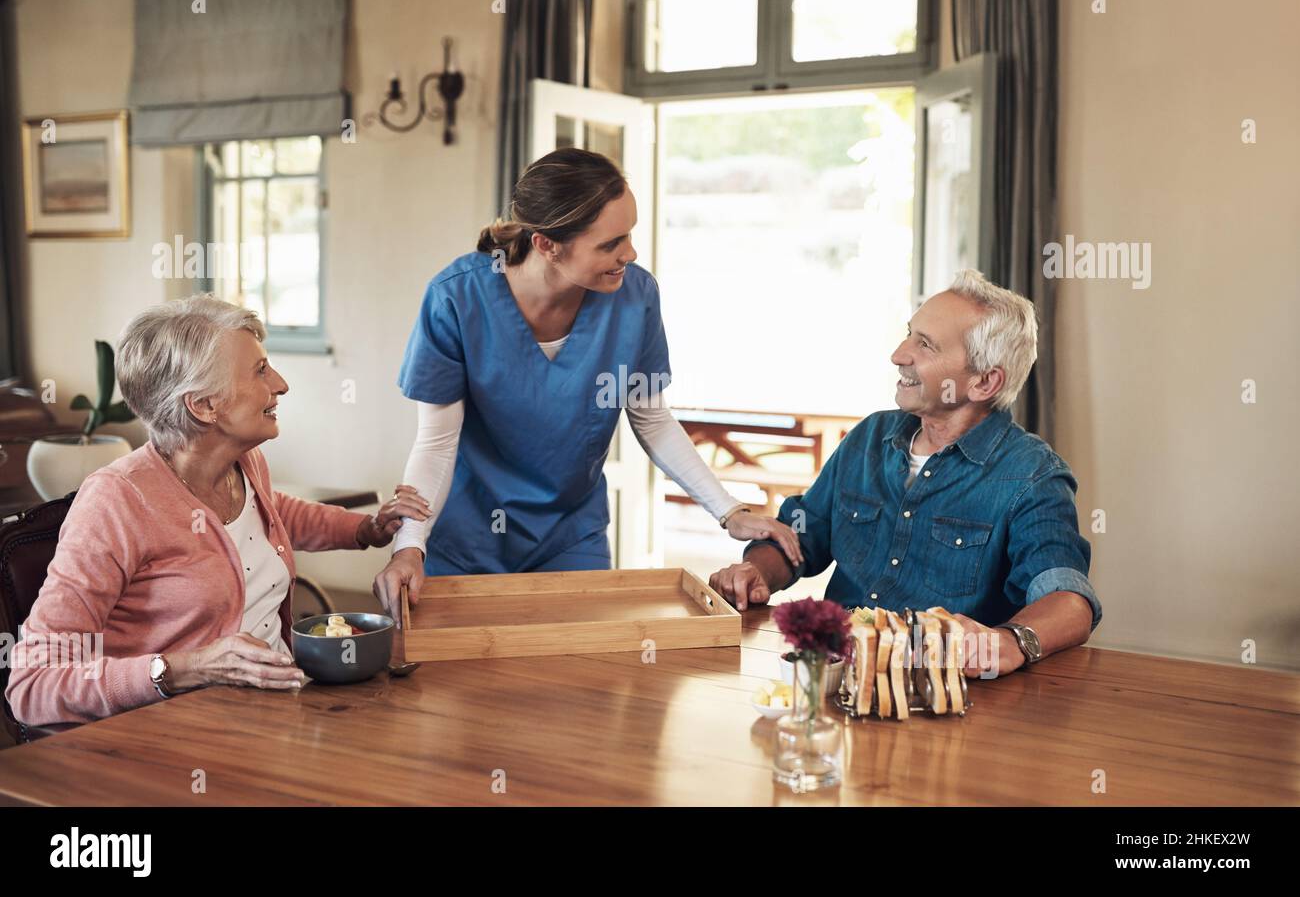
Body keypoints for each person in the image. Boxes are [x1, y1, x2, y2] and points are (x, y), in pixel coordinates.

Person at [372, 148, 801, 623]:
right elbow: (436, 443)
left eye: (630, 235)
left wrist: (729, 511)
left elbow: (652, 420)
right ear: (547, 244)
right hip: (469, 535)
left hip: (571, 535)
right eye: (610, 243)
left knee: (583, 682)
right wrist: (409, 545)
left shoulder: (635, 296)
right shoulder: (456, 299)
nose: (630, 253)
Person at [5, 296, 423, 726]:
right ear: (204, 406)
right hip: (182, 737)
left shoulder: (243, 464)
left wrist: (367, 528)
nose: (280, 384)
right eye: (260, 370)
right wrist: (185, 668)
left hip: (277, 710)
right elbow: (33, 686)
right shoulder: (116, 502)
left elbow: (273, 514)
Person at [708, 270, 1102, 678]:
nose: (899, 354)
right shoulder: (869, 437)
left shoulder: (1032, 475)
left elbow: (1069, 600)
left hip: (945, 695)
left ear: (985, 382)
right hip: (835, 678)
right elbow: (800, 536)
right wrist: (757, 573)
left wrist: (1011, 641)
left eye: (925, 345)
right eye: (910, 334)